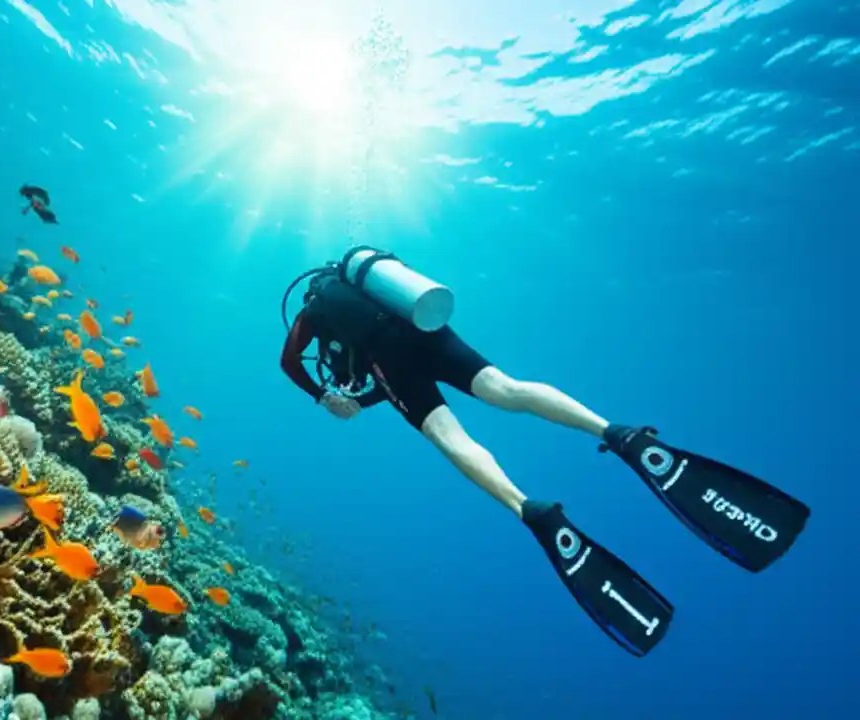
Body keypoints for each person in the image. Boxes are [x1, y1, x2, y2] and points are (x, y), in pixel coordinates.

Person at [280, 246, 811, 656]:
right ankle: (617, 432)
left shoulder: (315, 310)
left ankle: (525, 507)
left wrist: (321, 394)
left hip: (387, 354)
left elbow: (290, 360)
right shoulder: (381, 288)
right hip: (424, 326)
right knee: (507, 389)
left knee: (449, 436)